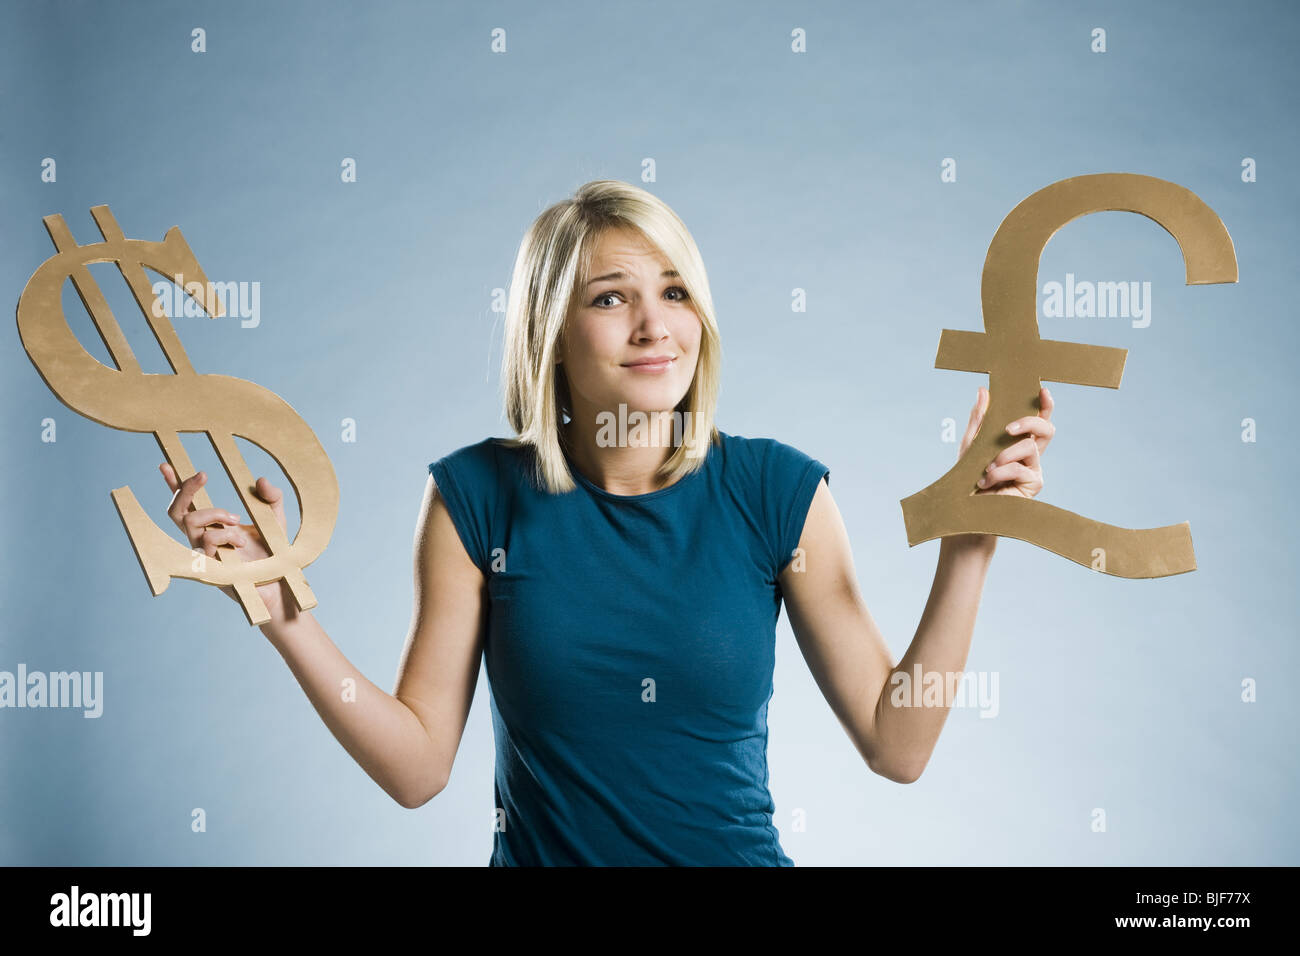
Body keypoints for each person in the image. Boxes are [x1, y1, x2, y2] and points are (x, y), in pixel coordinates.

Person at [157, 180, 1055, 866]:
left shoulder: (777, 491)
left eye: (674, 291)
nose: (655, 325)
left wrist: (968, 551)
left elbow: (898, 744)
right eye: (610, 297)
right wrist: (283, 613)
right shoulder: (475, 495)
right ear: (550, 333)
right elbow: (418, 768)